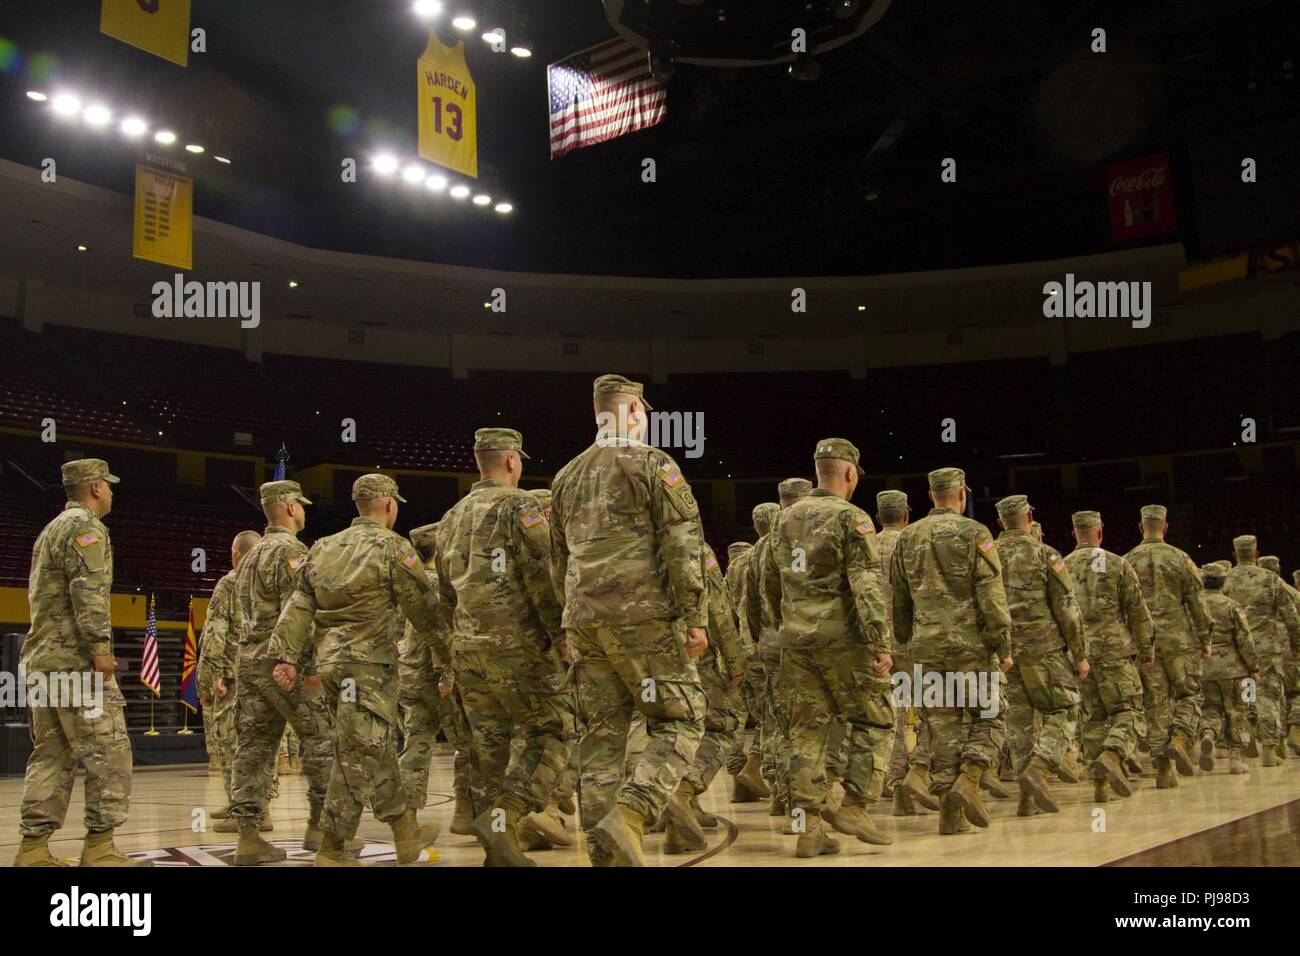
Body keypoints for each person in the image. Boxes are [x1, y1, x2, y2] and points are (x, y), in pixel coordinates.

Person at [550, 374, 708, 866]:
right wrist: (695, 615)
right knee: (682, 718)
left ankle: (606, 854)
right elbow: (683, 546)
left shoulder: (565, 476)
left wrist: (567, 623)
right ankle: (634, 813)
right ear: (636, 410)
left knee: (600, 736)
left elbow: (557, 561)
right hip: (644, 616)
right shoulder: (654, 463)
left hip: (584, 618)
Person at [269, 474, 444, 865]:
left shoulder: (323, 547)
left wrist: (285, 656)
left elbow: (300, 604)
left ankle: (405, 832)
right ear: (389, 505)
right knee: (355, 753)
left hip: (331, 667)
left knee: (372, 745)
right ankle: (333, 847)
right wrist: (448, 655)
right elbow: (425, 611)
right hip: (368, 669)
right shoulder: (393, 547)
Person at [434, 429, 575, 866]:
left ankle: (500, 847)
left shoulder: (451, 517)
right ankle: (508, 814)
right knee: (555, 730)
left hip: (468, 648)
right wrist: (562, 634)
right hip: (518, 646)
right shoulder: (521, 506)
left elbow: (445, 594)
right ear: (512, 461)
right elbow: (542, 575)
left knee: (489, 749)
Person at [14, 458, 148, 867]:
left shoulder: (51, 529)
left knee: (51, 754)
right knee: (110, 751)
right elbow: (87, 590)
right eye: (108, 485)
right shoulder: (86, 527)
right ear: (94, 487)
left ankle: (33, 849)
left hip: (43, 662)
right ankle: (100, 846)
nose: (111, 492)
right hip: (76, 664)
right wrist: (100, 647)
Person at [762, 439, 893, 857]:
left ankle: (810, 828)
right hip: (844, 640)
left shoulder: (783, 520)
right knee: (877, 721)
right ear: (850, 473)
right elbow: (865, 583)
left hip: (796, 642)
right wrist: (879, 642)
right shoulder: (852, 518)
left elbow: (770, 584)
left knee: (806, 734)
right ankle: (855, 804)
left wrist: (787, 624)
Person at [891, 467, 1012, 835]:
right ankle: (969, 779)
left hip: (926, 648)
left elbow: (900, 600)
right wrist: (1003, 644)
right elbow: (991, 596)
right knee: (991, 715)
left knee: (942, 728)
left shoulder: (908, 537)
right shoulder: (975, 533)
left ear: (932, 496)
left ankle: (949, 814)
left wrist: (907, 641)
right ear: (961, 494)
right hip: (970, 647)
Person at [228, 480, 337, 865]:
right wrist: (309, 665)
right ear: (291, 507)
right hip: (283, 662)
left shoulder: (250, 556)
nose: (303, 511)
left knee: (253, 748)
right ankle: (322, 828)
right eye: (301, 505)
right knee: (322, 739)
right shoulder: (292, 552)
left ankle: (248, 836)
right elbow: (300, 612)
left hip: (249, 661)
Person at [993, 495, 1086, 817]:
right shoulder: (1046, 554)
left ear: (1001, 522)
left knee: (1019, 723)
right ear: (1030, 517)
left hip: (1006, 654)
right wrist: (1080, 654)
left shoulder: (986, 554)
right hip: (1044, 649)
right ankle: (1041, 765)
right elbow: (1067, 610)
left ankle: (1026, 798)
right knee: (1066, 708)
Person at [1063, 511, 1154, 801]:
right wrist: (1147, 648)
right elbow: (1137, 611)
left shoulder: (1061, 567)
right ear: (1100, 532)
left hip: (1080, 656)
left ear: (1074, 533)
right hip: (1115, 651)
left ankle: (1100, 785)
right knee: (1129, 711)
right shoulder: (1117, 564)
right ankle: (1113, 754)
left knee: (1092, 717)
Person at [1123, 505, 1211, 783]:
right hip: (1179, 640)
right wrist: (1205, 638)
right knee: (1190, 694)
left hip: (1144, 643)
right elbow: (1197, 603)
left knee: (1155, 701)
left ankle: (1163, 768)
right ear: (1166, 527)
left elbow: (1122, 608)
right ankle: (1181, 737)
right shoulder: (1180, 559)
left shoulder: (1126, 562)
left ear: (1141, 528)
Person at [396, 522, 474, 834]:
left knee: (416, 745)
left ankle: (407, 818)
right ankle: (465, 814)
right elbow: (438, 633)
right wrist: (447, 674)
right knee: (468, 745)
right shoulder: (436, 584)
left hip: (409, 674)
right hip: (436, 677)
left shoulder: (408, 582)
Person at [196, 530, 264, 826]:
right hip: (263, 676)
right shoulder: (268, 585)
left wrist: (210, 677)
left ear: (236, 556)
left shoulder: (229, 583)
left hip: (233, 678)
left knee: (230, 743)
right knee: (258, 744)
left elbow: (215, 634)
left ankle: (245, 811)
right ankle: (254, 805)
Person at [1224, 536, 1300, 766]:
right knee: (1268, 696)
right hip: (1266, 650)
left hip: (1238, 651)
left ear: (1235, 555)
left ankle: (1249, 731)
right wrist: (1296, 645)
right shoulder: (1270, 579)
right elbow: (1291, 617)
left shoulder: (1226, 581)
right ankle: (1269, 748)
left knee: (1248, 695)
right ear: (1256, 554)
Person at [1196, 562, 1259, 774]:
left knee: (1210, 708)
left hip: (1204, 668)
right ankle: (1235, 759)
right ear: (1224, 582)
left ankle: (1208, 734)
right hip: (1232, 669)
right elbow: (1244, 640)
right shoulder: (1232, 605)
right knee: (1236, 712)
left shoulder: (1194, 605)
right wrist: (1253, 667)